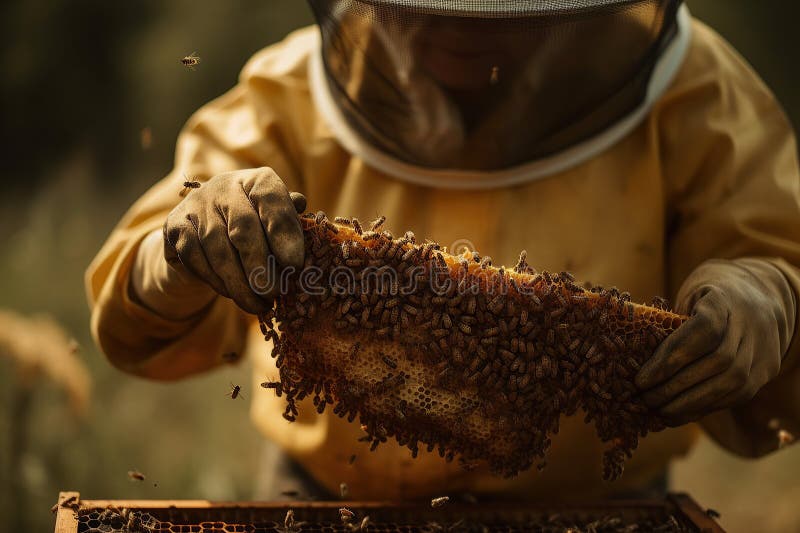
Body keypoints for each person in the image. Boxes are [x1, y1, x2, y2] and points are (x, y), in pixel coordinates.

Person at [87, 0, 800, 500]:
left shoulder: (692, 87)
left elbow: (774, 247)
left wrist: (767, 295)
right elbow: (137, 315)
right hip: (325, 501)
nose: (457, 25)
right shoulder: (284, 94)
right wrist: (178, 250)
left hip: (604, 505)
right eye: (431, 2)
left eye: (490, 5)